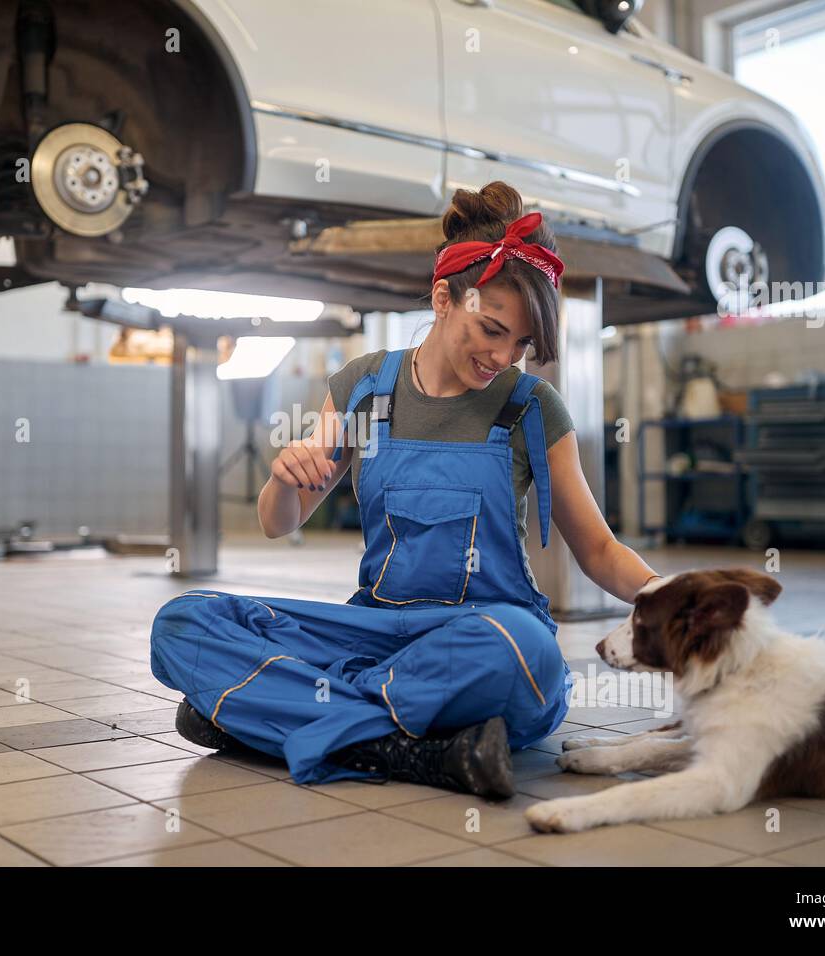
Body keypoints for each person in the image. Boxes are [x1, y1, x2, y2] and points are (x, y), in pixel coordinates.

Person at [150, 181, 660, 799]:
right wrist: (285, 478)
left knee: (530, 653)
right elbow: (277, 522)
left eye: (522, 343)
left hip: (482, 633)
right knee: (183, 623)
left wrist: (668, 595)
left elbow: (599, 550)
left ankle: (283, 717)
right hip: (375, 634)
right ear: (444, 299)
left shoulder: (531, 407)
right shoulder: (365, 389)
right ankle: (413, 746)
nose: (504, 356)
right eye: (492, 329)